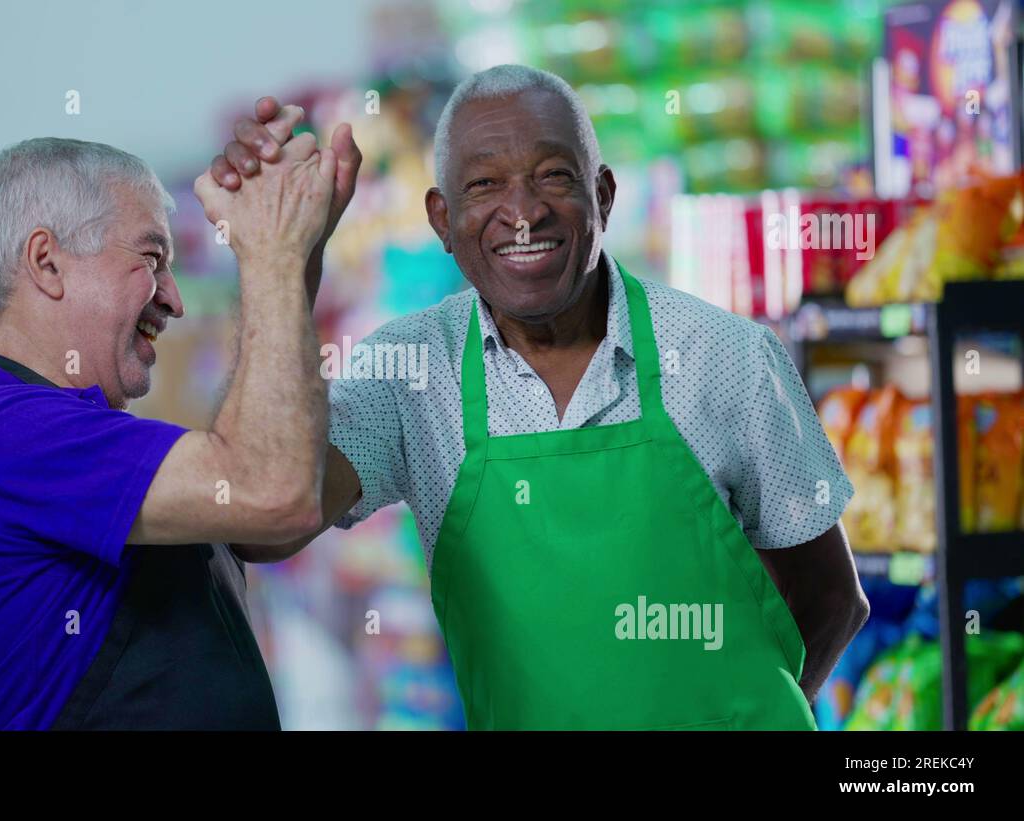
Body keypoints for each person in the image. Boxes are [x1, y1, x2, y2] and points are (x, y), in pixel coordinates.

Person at [211, 65, 871, 730]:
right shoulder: (411, 374)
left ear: (603, 196)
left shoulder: (725, 356)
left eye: (554, 175)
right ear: (442, 218)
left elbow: (833, 598)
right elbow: (262, 520)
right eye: (485, 184)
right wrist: (283, 264)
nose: (523, 212)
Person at [0, 129, 351, 729]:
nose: (174, 299)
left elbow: (265, 517)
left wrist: (301, 247)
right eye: (151, 258)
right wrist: (271, 253)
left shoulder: (77, 436)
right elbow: (272, 494)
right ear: (47, 262)